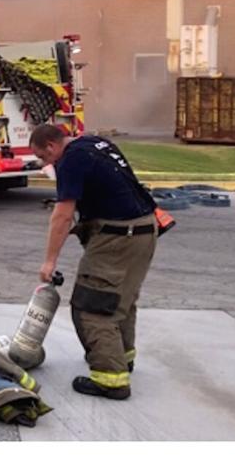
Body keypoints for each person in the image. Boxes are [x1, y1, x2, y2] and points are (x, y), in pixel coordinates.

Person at [29, 124, 158, 401]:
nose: (44, 164)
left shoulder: (71, 160)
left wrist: (49, 261)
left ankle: (111, 379)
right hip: (145, 229)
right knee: (120, 300)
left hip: (118, 237)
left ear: (52, 146)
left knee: (92, 306)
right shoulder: (96, 144)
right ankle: (121, 358)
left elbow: (62, 216)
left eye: (42, 157)